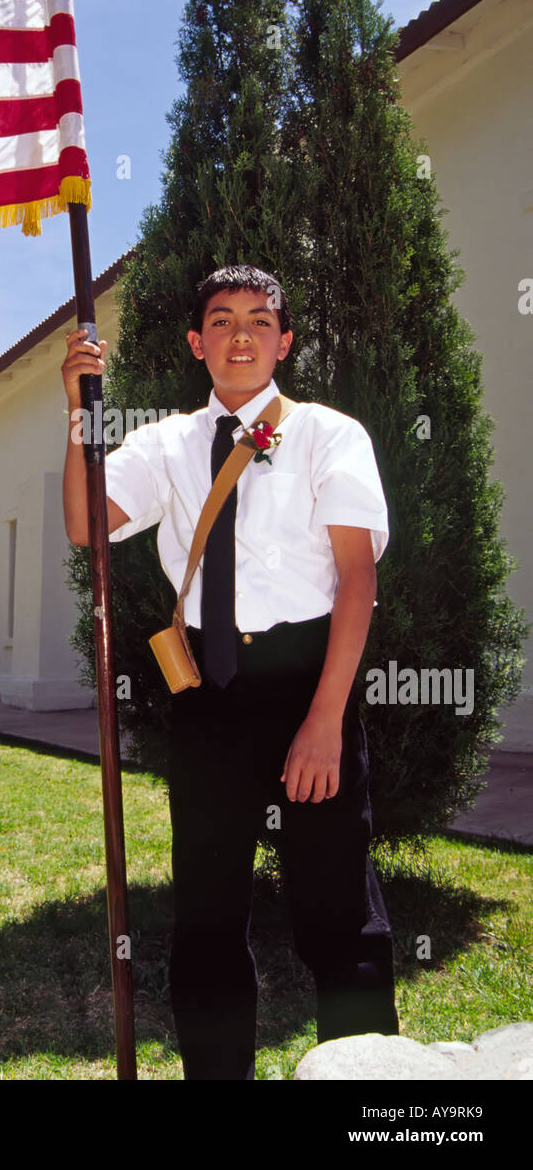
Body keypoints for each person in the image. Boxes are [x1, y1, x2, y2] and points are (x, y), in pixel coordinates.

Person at [61, 262, 400, 1080]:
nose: (239, 334)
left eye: (258, 319)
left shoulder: (330, 433)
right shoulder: (166, 442)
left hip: (308, 686)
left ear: (284, 340)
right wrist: (79, 412)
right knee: (207, 917)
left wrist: (324, 721)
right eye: (220, 319)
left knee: (337, 911)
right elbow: (86, 526)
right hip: (211, 697)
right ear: (195, 343)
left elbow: (357, 578)